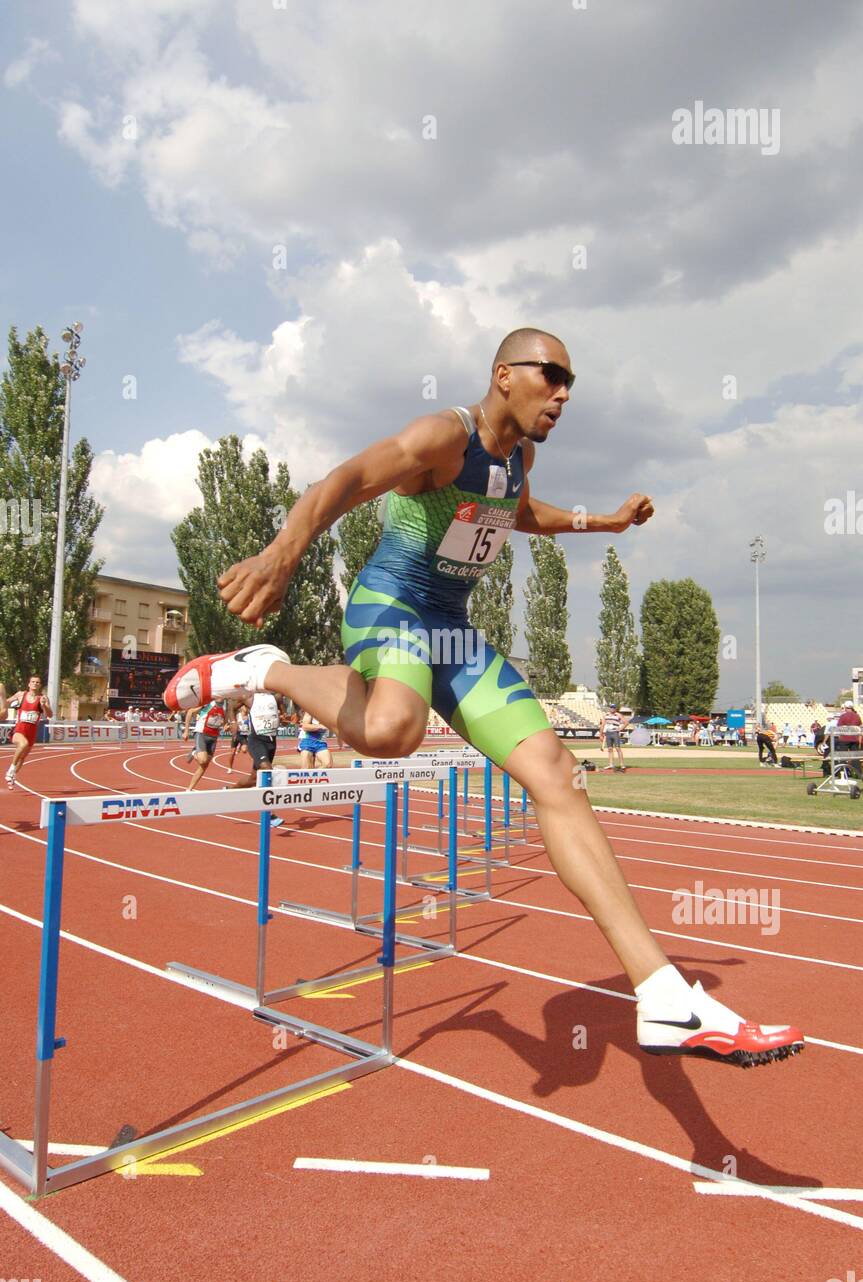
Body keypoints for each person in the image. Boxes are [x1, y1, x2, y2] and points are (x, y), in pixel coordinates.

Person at [165, 327, 803, 1067]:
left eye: (571, 381)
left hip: (451, 630)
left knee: (558, 777)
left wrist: (605, 522)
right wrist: (283, 552)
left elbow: (521, 514)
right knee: (392, 728)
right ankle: (263, 670)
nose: (563, 393)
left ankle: (662, 995)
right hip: (391, 609)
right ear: (505, 375)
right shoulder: (444, 436)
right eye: (551, 375)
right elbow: (343, 480)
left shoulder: (516, 457)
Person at [3, 675, 52, 787]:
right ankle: (11, 769)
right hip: (19, 730)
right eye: (33, 682)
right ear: (29, 684)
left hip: (32, 732)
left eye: (37, 682)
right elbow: (6, 702)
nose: (35, 684)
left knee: (22, 758)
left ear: (40, 685)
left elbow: (50, 715)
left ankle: (13, 775)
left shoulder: (43, 698)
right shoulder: (21, 695)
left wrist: (45, 706)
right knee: (22, 744)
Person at [183, 699, 228, 790]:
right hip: (202, 733)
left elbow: (224, 721)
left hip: (213, 737)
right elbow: (190, 712)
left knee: (204, 765)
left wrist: (225, 726)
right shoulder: (208, 703)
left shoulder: (226, 706)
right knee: (203, 760)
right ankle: (194, 752)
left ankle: (189, 789)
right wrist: (186, 730)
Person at [599, 704, 628, 773]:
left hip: (615, 732)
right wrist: (600, 734)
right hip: (608, 733)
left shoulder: (618, 715)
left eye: (613, 708)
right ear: (609, 708)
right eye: (611, 707)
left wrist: (620, 729)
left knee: (618, 748)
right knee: (610, 749)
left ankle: (622, 765)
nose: (612, 709)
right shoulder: (606, 715)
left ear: (615, 708)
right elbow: (602, 725)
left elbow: (626, 722)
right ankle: (611, 764)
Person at [225, 701, 251, 772]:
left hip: (245, 736)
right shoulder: (237, 716)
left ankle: (240, 747)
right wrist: (229, 727)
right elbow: (226, 727)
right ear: (241, 708)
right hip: (236, 735)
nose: (246, 708)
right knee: (232, 753)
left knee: (244, 750)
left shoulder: (249, 716)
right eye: (244, 706)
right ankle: (230, 768)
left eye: (246, 707)